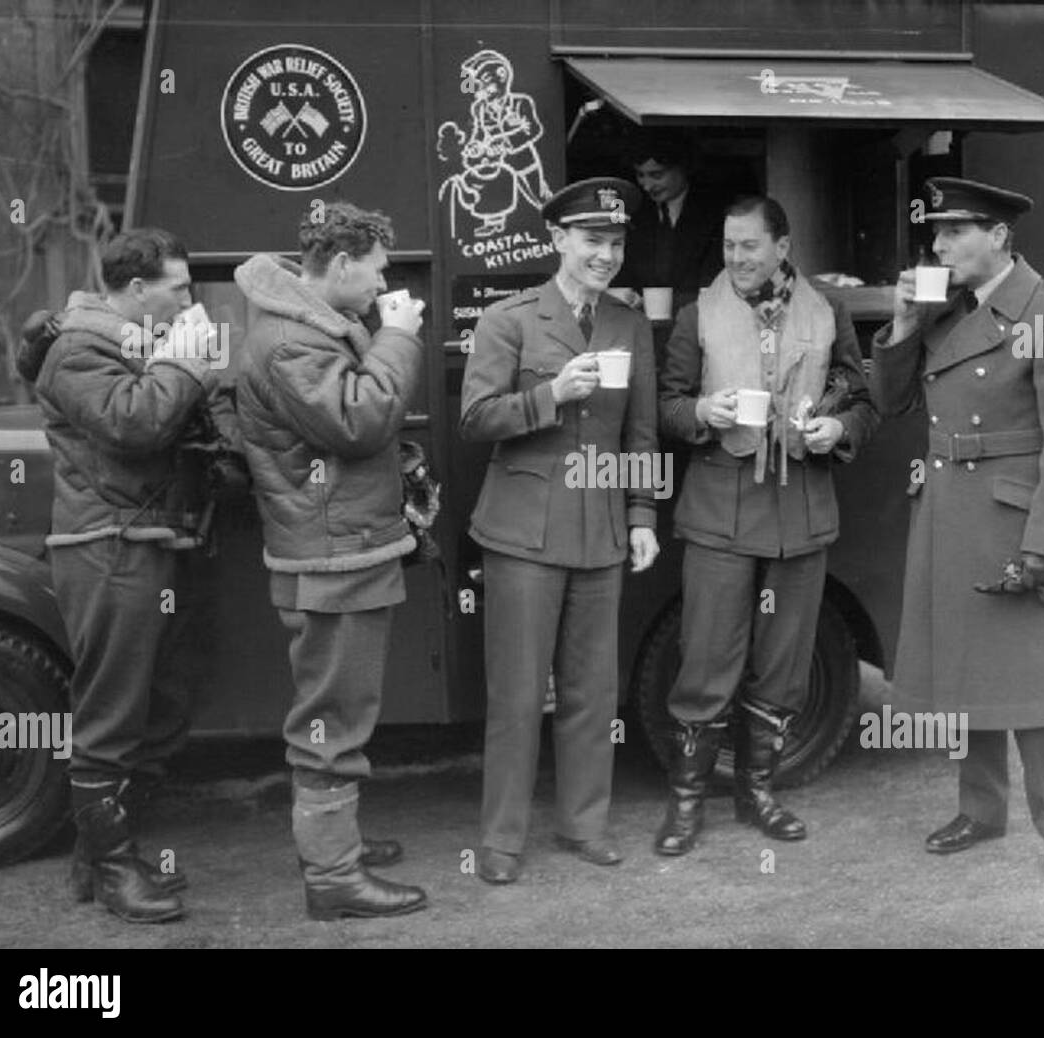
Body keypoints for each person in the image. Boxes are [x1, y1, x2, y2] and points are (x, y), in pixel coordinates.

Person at [871, 177, 1044, 882]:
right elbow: (892, 403)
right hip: (952, 513)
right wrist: (905, 325)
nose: (937, 246)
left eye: (953, 232)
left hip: (1017, 516)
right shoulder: (945, 311)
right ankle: (981, 809)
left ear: (999, 238)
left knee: (1035, 683)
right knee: (968, 669)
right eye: (935, 234)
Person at [654, 195, 878, 856]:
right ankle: (687, 803)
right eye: (728, 246)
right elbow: (666, 407)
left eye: (748, 246)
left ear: (782, 246)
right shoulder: (698, 315)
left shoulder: (827, 311)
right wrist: (703, 411)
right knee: (706, 659)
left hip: (801, 510)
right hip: (720, 509)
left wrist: (836, 426)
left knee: (784, 664)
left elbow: (859, 398)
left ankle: (758, 794)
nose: (736, 258)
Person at [24, 227, 230, 923]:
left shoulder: (135, 344)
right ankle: (113, 869)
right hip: (107, 547)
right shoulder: (77, 349)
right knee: (111, 711)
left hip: (146, 540)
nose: (186, 299)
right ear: (136, 290)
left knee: (155, 705)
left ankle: (96, 860)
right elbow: (132, 425)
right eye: (176, 288)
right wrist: (189, 369)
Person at [460, 177, 660, 884]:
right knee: (516, 693)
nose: (606, 254)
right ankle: (503, 839)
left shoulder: (628, 323)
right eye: (592, 241)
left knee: (592, 691)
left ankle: (584, 823)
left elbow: (642, 433)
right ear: (557, 240)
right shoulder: (508, 319)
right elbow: (476, 418)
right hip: (522, 531)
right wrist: (551, 395)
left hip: (600, 527)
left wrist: (642, 516)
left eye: (616, 242)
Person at [235, 202, 428, 920]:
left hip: (336, 549)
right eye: (377, 270)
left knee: (338, 714)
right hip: (332, 560)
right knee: (332, 721)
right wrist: (400, 338)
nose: (382, 286)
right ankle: (333, 880)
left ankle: (332, 845)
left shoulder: (297, 328)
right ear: (342, 265)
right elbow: (359, 421)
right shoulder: (292, 343)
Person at [610, 131, 724, 316]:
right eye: (640, 175)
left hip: (696, 322)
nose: (646, 185)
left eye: (656, 175)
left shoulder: (713, 213)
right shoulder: (628, 209)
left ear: (683, 168)